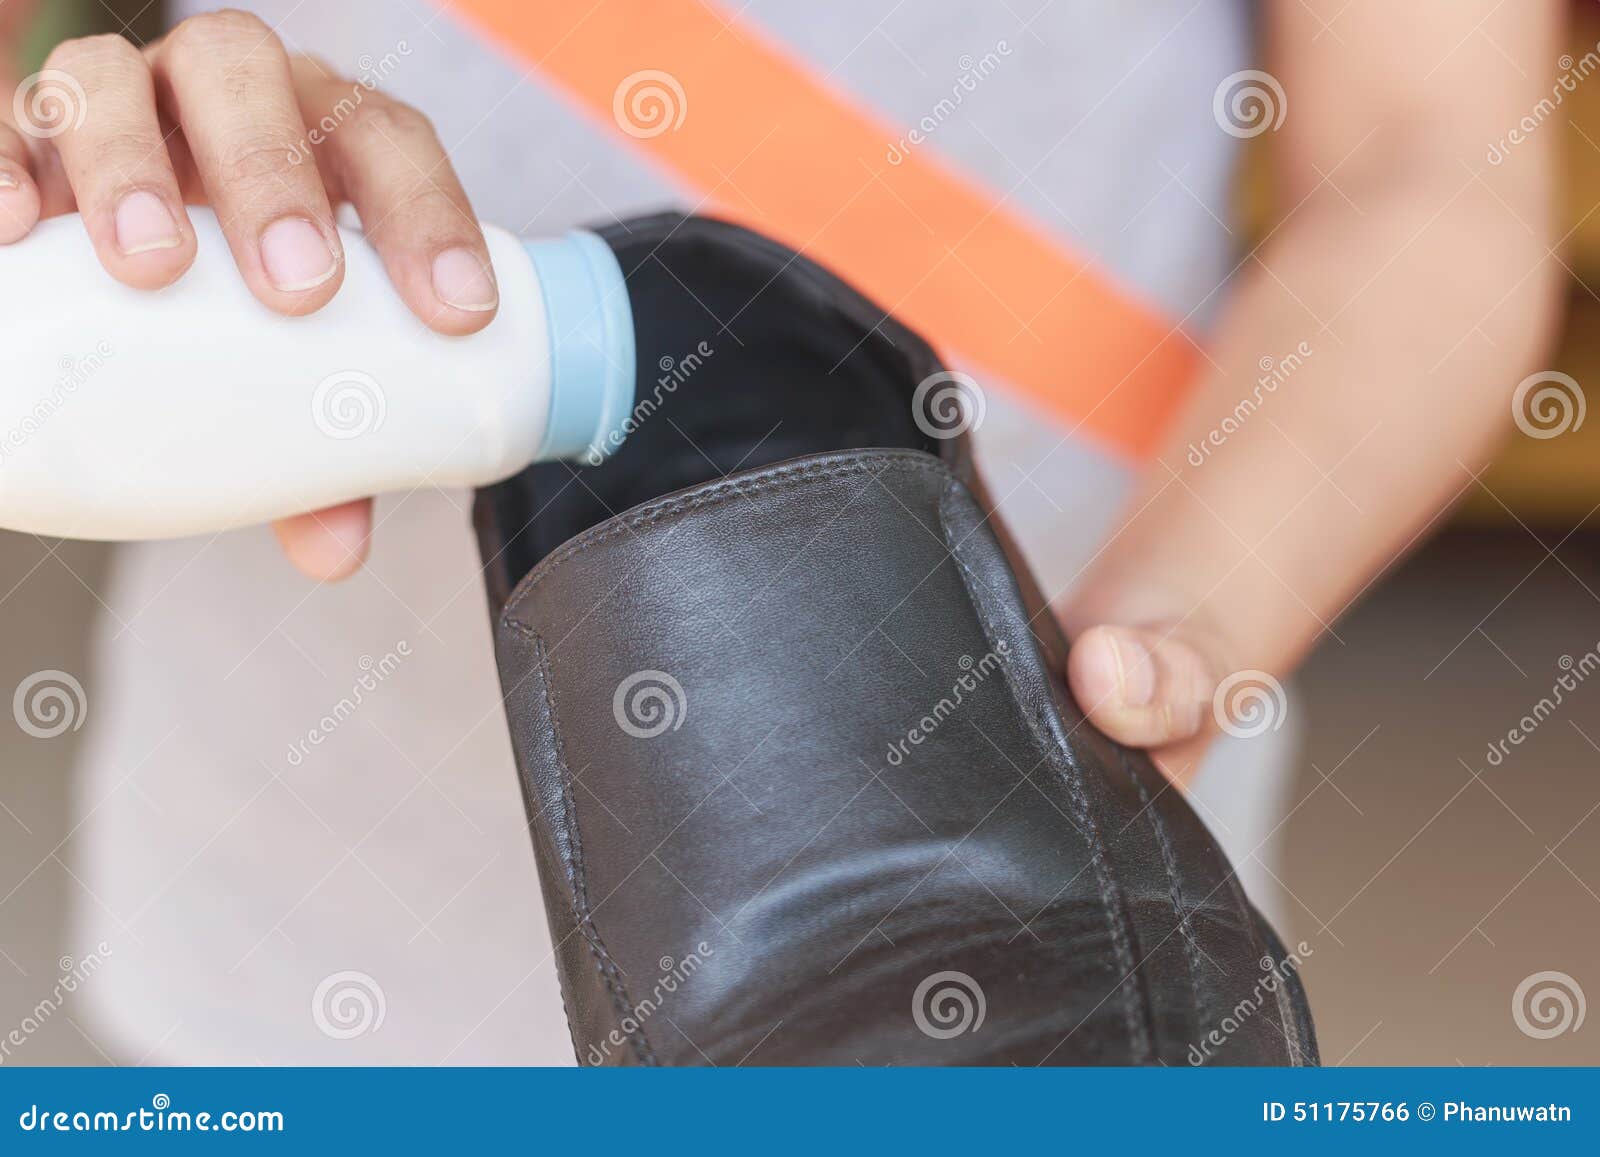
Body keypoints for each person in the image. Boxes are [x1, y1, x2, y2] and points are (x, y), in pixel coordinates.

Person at [0, 0, 1562, 1062]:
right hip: (303, 920)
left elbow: (1433, 164)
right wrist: (72, 173)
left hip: (1028, 847)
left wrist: (1185, 623)